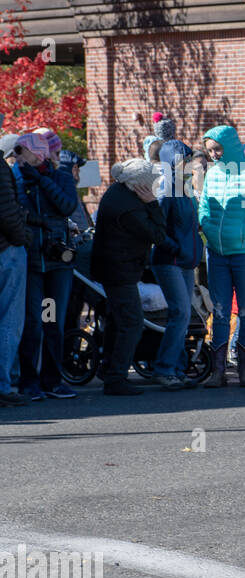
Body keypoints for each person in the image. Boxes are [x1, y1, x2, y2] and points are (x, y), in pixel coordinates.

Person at [198, 125, 245, 387]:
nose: (214, 154)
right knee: (218, 312)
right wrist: (207, 228)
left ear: (230, 146)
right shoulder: (211, 175)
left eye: (217, 149)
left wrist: (241, 232)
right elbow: (204, 207)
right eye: (210, 151)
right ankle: (218, 372)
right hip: (217, 254)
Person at [91, 159, 168, 396]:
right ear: (141, 187)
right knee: (132, 323)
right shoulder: (131, 207)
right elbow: (159, 235)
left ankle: (109, 369)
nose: (155, 186)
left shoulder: (116, 191)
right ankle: (116, 378)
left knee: (117, 319)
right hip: (120, 269)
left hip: (112, 267)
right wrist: (153, 204)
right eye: (152, 183)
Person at [12, 133, 79, 401]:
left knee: (52, 321)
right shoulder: (14, 179)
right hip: (31, 263)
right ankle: (29, 380)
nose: (17, 157)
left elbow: (66, 206)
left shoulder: (60, 177)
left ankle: (52, 380)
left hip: (56, 265)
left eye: (22, 151)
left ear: (37, 153)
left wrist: (40, 179)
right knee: (32, 323)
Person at [151, 139, 203, 389]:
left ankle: (177, 367)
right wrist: (175, 247)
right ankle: (164, 368)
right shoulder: (167, 187)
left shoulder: (184, 187)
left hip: (183, 261)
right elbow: (157, 226)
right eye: (185, 159)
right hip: (169, 260)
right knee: (180, 312)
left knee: (183, 314)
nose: (190, 164)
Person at [0, 155, 29, 406]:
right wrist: (23, 237)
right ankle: (4, 384)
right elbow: (7, 211)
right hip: (5, 250)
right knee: (9, 319)